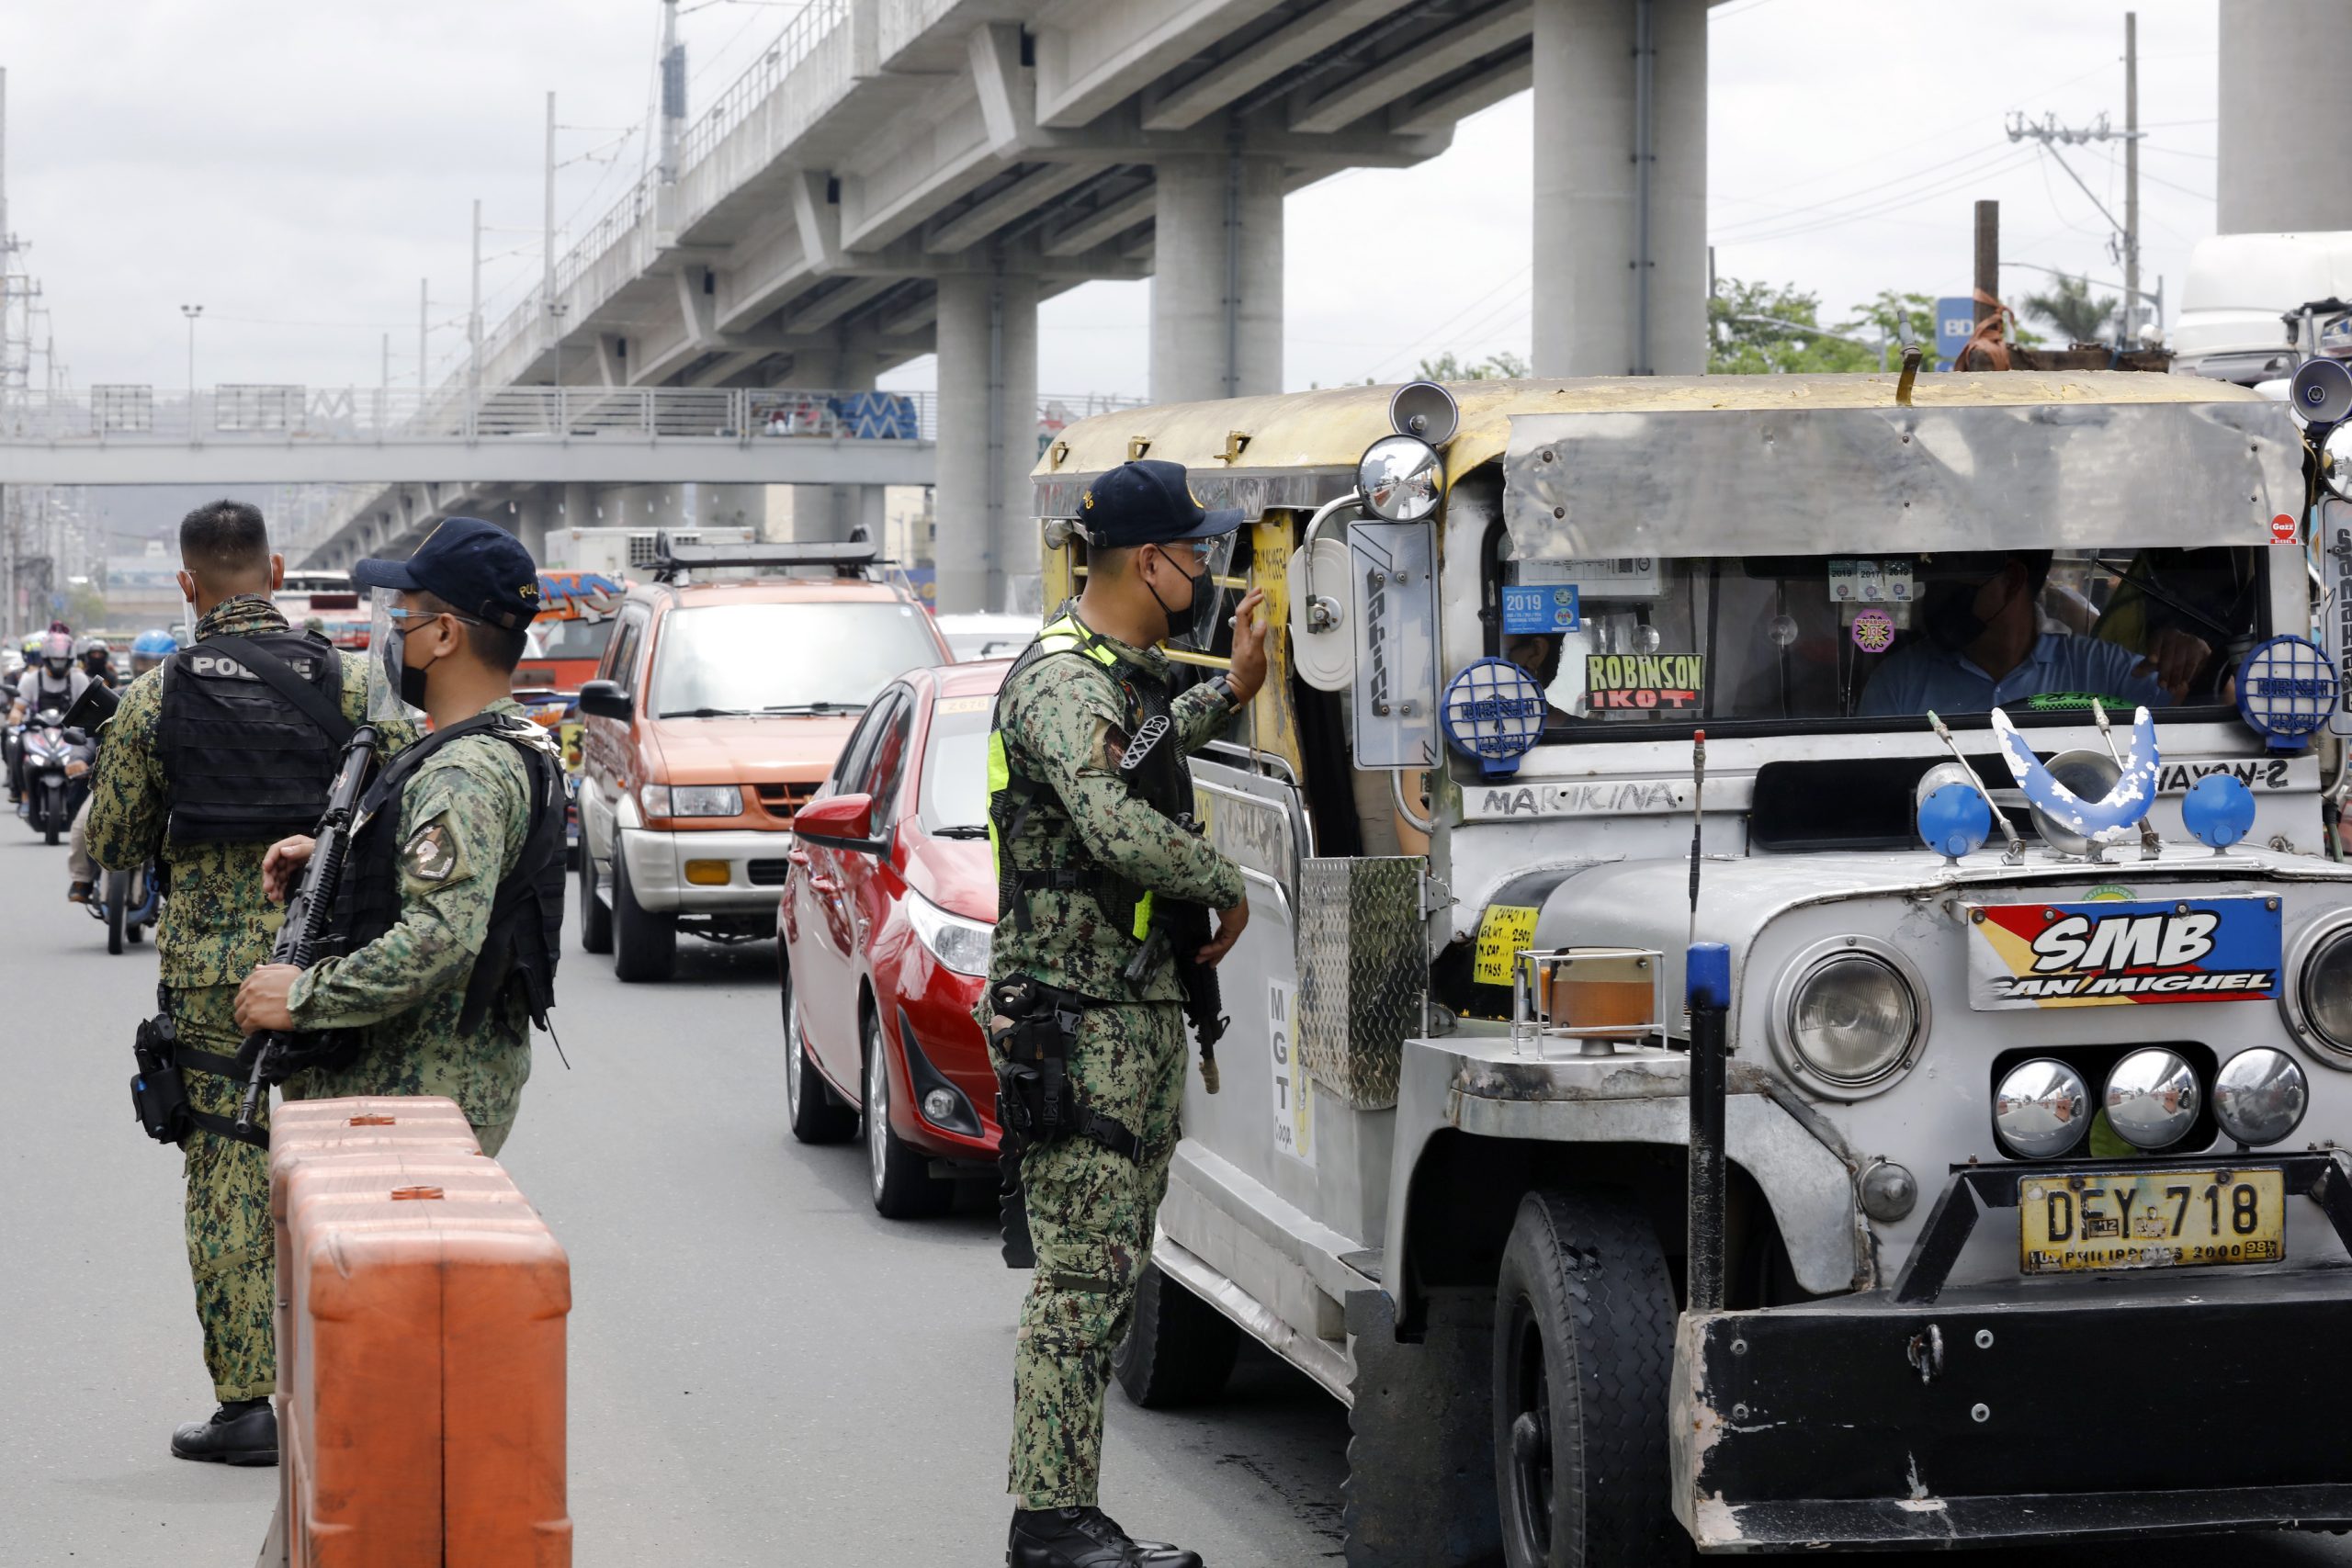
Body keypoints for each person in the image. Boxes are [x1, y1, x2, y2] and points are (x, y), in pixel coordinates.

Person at [984, 459, 1266, 1568]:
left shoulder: (1115, 675)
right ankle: (1049, 1525)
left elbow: (1134, 757)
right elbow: (1110, 823)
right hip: (1079, 1019)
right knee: (1081, 1282)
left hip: (1122, 1011)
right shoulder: (1061, 678)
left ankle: (1066, 1515)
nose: (1203, 569)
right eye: (1194, 551)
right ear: (1148, 562)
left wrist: (1229, 691)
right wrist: (1224, 880)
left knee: (1107, 1273)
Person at [86, 502, 397, 1466]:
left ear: (188, 583)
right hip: (339, 971)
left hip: (216, 983)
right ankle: (360, 1388)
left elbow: (120, 846)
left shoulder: (153, 698)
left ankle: (250, 1408)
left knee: (227, 1175)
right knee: (348, 1171)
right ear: (276, 567)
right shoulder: (354, 683)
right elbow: (400, 810)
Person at [233, 515, 566, 1161]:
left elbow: (440, 936)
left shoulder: (462, 772)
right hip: (430, 1092)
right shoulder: (510, 740)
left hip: (413, 1102)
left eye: (405, 617)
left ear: (444, 634)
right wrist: (351, 852)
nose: (392, 634)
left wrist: (299, 996)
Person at [1859, 550, 2172, 718]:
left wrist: (2187, 661)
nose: (1939, 592)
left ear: (2011, 580)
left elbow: (2196, 726)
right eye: (1936, 578)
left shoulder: (2102, 670)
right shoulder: (1899, 683)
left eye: (1957, 575)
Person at [66, 631, 177, 903]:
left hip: (165, 788)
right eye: (142, 662)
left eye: (155, 663)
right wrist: (77, 758)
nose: (147, 670)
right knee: (82, 826)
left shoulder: (182, 702)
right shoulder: (120, 697)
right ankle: (81, 880)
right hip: (111, 783)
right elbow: (88, 737)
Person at [10, 630, 90, 808]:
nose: (59, 664)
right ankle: (22, 793)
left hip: (70, 731)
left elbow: (87, 709)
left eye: (62, 660)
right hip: (37, 730)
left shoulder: (79, 679)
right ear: (45, 657)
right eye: (55, 659)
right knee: (15, 742)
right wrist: (15, 718)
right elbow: (18, 708)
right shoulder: (31, 679)